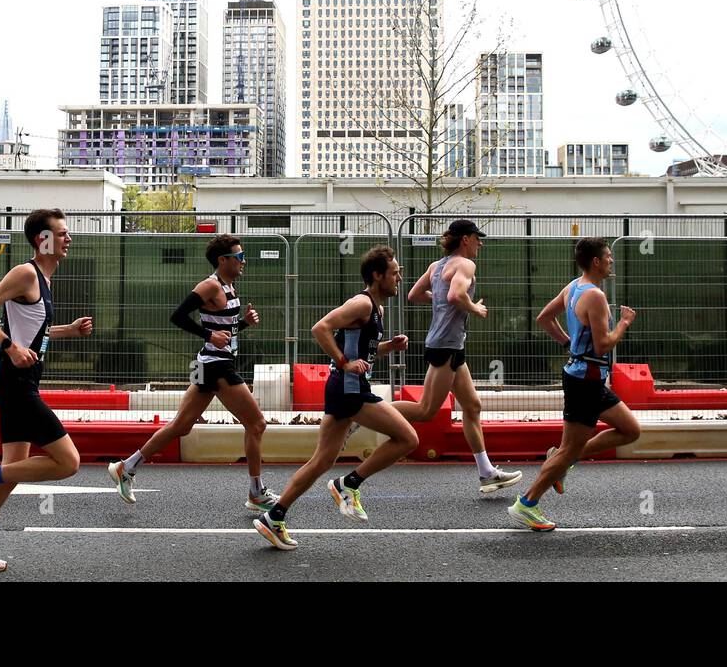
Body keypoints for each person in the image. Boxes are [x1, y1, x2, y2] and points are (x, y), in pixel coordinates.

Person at [0, 208, 94, 572]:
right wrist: (10, 346)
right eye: (60, 233)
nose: (68, 239)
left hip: (20, 383)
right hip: (15, 385)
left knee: (14, 471)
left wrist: (68, 330)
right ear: (41, 240)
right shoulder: (26, 273)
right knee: (67, 463)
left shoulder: (43, 280)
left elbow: (34, 333)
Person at [254, 246, 417, 550]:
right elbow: (320, 328)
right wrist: (343, 362)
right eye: (394, 273)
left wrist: (388, 347)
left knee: (321, 461)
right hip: (349, 387)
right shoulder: (361, 304)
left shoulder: (377, 310)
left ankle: (273, 517)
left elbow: (361, 352)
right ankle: (349, 484)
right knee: (408, 438)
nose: (399, 278)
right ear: (377, 275)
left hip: (344, 385)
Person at [108, 234, 275, 511]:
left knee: (181, 426)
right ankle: (256, 493)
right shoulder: (210, 285)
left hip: (210, 362)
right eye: (240, 257)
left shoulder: (229, 287)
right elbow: (178, 316)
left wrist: (243, 323)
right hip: (216, 366)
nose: (244, 262)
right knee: (256, 424)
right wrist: (208, 334)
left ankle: (126, 467)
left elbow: (224, 331)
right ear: (223, 260)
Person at [509, 237, 641, 532]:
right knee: (569, 449)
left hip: (587, 377)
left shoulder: (573, 287)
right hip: (586, 380)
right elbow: (603, 344)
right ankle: (526, 504)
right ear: (595, 261)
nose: (611, 260)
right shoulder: (594, 296)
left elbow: (545, 318)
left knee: (630, 430)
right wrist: (624, 323)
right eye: (608, 256)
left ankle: (563, 460)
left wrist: (569, 344)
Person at [391, 219, 521, 494]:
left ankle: (487, 473)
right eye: (477, 238)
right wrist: (475, 308)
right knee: (426, 410)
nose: (480, 243)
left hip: (450, 345)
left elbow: (414, 294)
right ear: (465, 239)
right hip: (446, 346)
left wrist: (440, 299)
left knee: (472, 407)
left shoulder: (436, 266)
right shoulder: (465, 265)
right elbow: (455, 295)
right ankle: (367, 413)